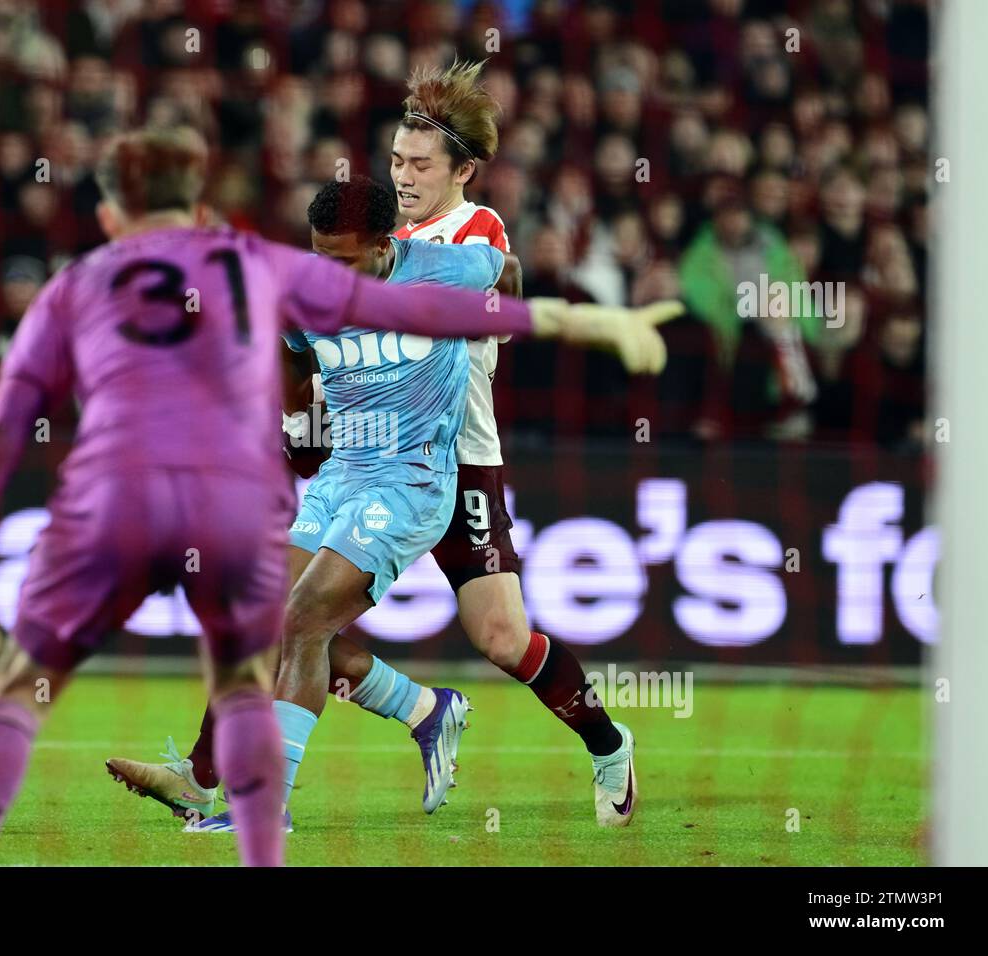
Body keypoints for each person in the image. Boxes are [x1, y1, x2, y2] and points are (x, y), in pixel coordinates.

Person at [0, 126, 678, 866]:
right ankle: (417, 710)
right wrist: (293, 423)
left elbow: (510, 285)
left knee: (360, 624)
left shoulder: (453, 262)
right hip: (342, 474)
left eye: (346, 265)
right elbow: (288, 360)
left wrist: (586, 324)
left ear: (388, 246)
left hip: (424, 478)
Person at [114, 60, 649, 831]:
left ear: (462, 169)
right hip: (363, 456)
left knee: (499, 637)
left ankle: (605, 742)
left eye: (421, 165)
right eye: (397, 161)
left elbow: (502, 291)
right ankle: (216, 774)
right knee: (286, 613)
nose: (404, 176)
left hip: (459, 457)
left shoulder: (473, 231)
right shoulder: (372, 238)